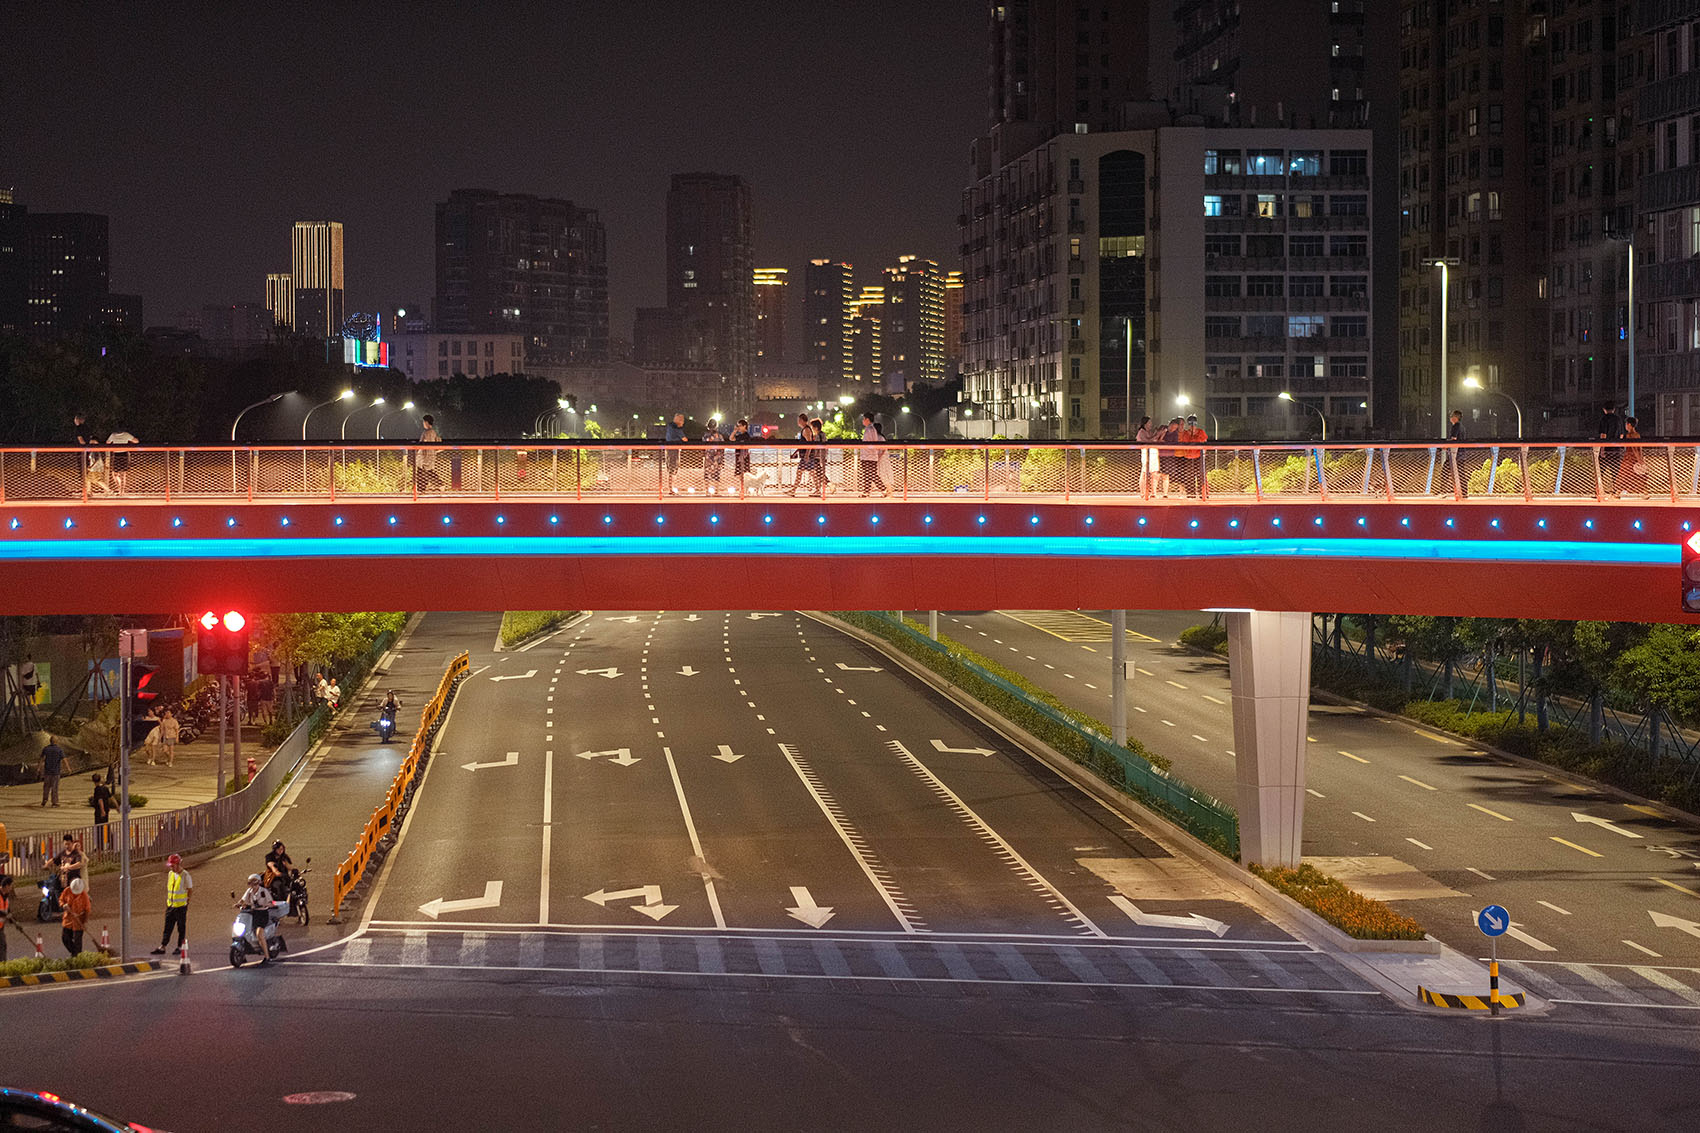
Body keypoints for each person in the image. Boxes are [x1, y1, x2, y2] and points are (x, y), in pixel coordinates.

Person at [150, 853, 192, 956]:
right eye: (170, 866)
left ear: (178, 864)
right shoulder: (170, 874)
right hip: (170, 905)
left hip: (181, 906)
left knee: (181, 928)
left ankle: (180, 946)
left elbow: (190, 890)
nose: (171, 868)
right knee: (167, 927)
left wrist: (186, 902)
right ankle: (163, 946)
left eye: (172, 866)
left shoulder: (185, 875)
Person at [238, 872, 273, 961]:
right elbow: (243, 900)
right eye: (251, 882)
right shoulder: (249, 891)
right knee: (243, 932)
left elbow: (270, 902)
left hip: (262, 915)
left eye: (255, 882)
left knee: (259, 934)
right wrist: (238, 904)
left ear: (259, 882)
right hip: (253, 914)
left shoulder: (263, 891)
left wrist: (265, 905)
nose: (253, 884)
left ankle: (267, 956)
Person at [1177, 415, 1209, 498]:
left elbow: (1204, 442)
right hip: (1188, 457)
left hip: (1199, 456)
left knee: (1201, 475)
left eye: (1194, 423)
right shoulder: (1186, 433)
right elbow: (1184, 443)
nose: (1192, 425)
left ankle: (1204, 492)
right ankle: (1191, 494)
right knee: (1189, 476)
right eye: (1190, 423)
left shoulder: (1201, 432)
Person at [1438, 409, 1468, 497]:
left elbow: (1453, 440)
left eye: (1451, 416)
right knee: (1461, 472)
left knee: (1445, 472)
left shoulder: (1456, 426)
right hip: (1461, 453)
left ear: (1455, 417)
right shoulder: (1462, 427)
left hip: (1454, 454)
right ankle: (1464, 492)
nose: (1450, 418)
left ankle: (1442, 491)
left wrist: (1444, 447)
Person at [858, 412, 889, 496]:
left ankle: (883, 489)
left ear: (867, 420)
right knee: (868, 475)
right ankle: (867, 491)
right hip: (869, 455)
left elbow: (871, 442)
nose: (862, 421)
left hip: (868, 456)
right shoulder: (870, 429)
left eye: (863, 419)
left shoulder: (870, 429)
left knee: (871, 474)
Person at [1596, 402, 1623, 495]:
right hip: (1616, 449)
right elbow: (1621, 435)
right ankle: (1615, 491)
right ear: (1614, 409)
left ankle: (1599, 491)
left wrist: (1602, 449)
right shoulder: (1618, 419)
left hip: (1607, 448)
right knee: (1615, 471)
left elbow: (1603, 435)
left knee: (1601, 470)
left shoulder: (1604, 419)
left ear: (1604, 409)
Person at [1618, 415, 1649, 497]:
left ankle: (1619, 492)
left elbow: (1633, 448)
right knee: (1638, 477)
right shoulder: (1638, 435)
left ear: (1629, 424)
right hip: (1636, 458)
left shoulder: (1629, 435)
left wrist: (1638, 459)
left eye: (1626, 424)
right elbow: (1640, 448)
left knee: (1624, 476)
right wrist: (1641, 459)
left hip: (1629, 458)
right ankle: (1642, 492)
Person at [61, 876, 90, 956]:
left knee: (77, 941)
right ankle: (74, 952)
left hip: (79, 921)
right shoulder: (67, 891)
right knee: (65, 938)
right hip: (68, 920)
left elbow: (87, 911)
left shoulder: (84, 896)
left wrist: (84, 922)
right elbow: (61, 900)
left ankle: (77, 956)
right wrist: (63, 905)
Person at [788, 413, 813, 495]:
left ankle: (793, 490)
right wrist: (795, 453)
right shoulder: (805, 430)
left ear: (802, 420)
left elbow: (809, 443)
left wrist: (807, 455)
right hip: (806, 456)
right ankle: (818, 489)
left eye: (799, 420)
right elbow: (802, 445)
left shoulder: (806, 430)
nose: (798, 422)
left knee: (801, 473)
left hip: (806, 456)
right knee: (812, 473)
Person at [664, 412, 688, 494]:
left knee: (670, 468)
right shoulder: (677, 429)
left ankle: (671, 488)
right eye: (682, 420)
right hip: (674, 450)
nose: (683, 422)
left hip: (668, 449)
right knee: (673, 468)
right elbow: (684, 439)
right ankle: (671, 489)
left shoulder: (670, 427)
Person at [416, 414, 442, 490]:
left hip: (424, 457)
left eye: (423, 422)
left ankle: (439, 485)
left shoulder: (428, 432)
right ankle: (422, 488)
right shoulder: (432, 432)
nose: (423, 424)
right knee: (424, 473)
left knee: (425, 472)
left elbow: (429, 445)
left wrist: (427, 458)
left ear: (426, 422)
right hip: (425, 457)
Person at [1134, 416, 1158, 499]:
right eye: (1149, 423)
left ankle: (1153, 492)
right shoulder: (1141, 432)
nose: (1151, 424)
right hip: (1146, 453)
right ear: (1145, 424)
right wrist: (1157, 435)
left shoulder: (1150, 432)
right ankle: (1143, 492)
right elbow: (1146, 441)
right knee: (1144, 473)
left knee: (1154, 473)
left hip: (1153, 453)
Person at [39, 737, 65, 807]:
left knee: (46, 786)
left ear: (50, 741)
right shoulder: (59, 750)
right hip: (56, 772)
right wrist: (68, 768)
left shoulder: (46, 749)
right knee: (54, 787)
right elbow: (64, 759)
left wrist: (39, 768)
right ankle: (54, 802)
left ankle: (44, 799)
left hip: (47, 771)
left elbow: (42, 759)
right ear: (56, 741)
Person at [701, 420, 724, 494]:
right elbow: (722, 447)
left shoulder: (705, 435)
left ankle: (707, 491)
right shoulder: (719, 436)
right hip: (717, 456)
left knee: (707, 474)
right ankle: (716, 491)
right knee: (716, 474)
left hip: (708, 456)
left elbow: (703, 446)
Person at [730, 419, 752, 487]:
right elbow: (731, 438)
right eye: (738, 426)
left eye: (740, 426)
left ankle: (745, 488)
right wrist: (735, 431)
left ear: (744, 426)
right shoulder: (739, 436)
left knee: (745, 474)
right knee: (739, 474)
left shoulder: (747, 436)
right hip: (739, 456)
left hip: (744, 457)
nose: (738, 427)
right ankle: (742, 488)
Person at [0, 874, 13, 962]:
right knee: (2, 946)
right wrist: (5, 914)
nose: (11, 888)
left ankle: (3, 965)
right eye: (10, 886)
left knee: (3, 946)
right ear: (6, 886)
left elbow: (7, 911)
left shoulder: (6, 897)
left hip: (1, 927)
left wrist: (11, 919)